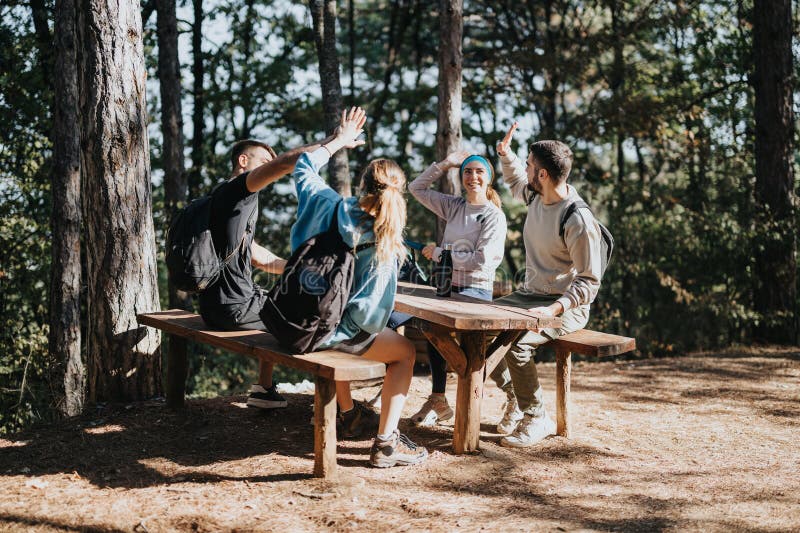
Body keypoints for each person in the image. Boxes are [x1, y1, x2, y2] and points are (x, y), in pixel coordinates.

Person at [287, 106, 428, 468]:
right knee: (404, 352)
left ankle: (349, 413)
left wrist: (339, 140)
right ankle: (386, 444)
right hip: (329, 332)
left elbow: (303, 167)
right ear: (399, 193)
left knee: (353, 333)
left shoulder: (326, 203)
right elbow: (367, 316)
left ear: (363, 183)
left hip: (295, 319)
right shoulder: (384, 238)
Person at [198, 138, 328, 410]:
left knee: (272, 301)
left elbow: (256, 255)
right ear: (243, 161)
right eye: (264, 162)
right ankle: (332, 403)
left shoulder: (222, 197)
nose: (270, 168)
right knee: (314, 316)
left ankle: (263, 389)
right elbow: (285, 163)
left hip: (213, 305)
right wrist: (335, 141)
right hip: (234, 307)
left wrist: (294, 266)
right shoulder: (238, 191)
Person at [494, 122, 602, 447]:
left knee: (517, 345)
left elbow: (589, 281)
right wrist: (506, 155)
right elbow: (516, 180)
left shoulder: (578, 219)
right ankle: (517, 396)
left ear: (542, 174)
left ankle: (536, 416)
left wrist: (554, 309)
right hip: (531, 295)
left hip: (567, 306)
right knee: (481, 326)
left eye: (529, 164)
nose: (525, 169)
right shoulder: (535, 194)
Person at [405, 151, 520, 432]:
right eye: (467, 171)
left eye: (479, 172)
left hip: (474, 292)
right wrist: (445, 164)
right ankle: (438, 399)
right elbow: (416, 188)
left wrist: (441, 254)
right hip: (446, 286)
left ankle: (514, 397)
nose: (473, 177)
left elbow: (482, 260)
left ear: (489, 178)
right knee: (434, 334)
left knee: (476, 353)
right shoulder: (454, 206)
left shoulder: (493, 216)